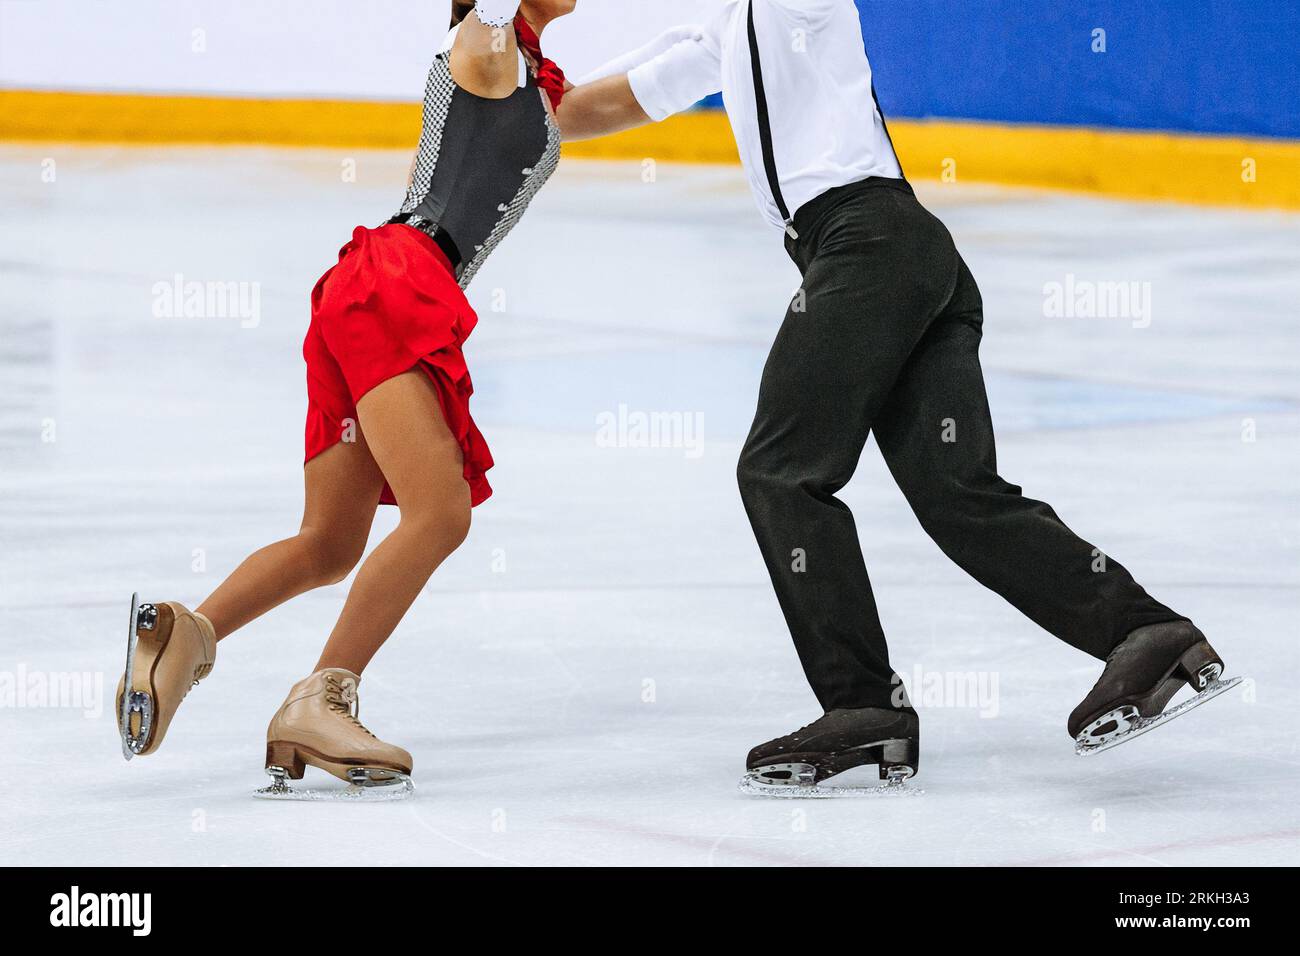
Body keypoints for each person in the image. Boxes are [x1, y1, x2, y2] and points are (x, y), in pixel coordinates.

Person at [558, 0, 1231, 791]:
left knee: (780, 472)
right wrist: (503, 90)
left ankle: (863, 706)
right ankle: (1145, 631)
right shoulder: (724, 29)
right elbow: (601, 103)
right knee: (958, 494)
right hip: (905, 254)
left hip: (866, 244)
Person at [116, 0, 577, 798]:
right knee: (441, 513)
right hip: (401, 284)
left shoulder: (537, 85)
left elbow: (651, 89)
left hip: (367, 289)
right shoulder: (485, 45)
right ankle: (321, 699)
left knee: (331, 542)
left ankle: (185, 633)